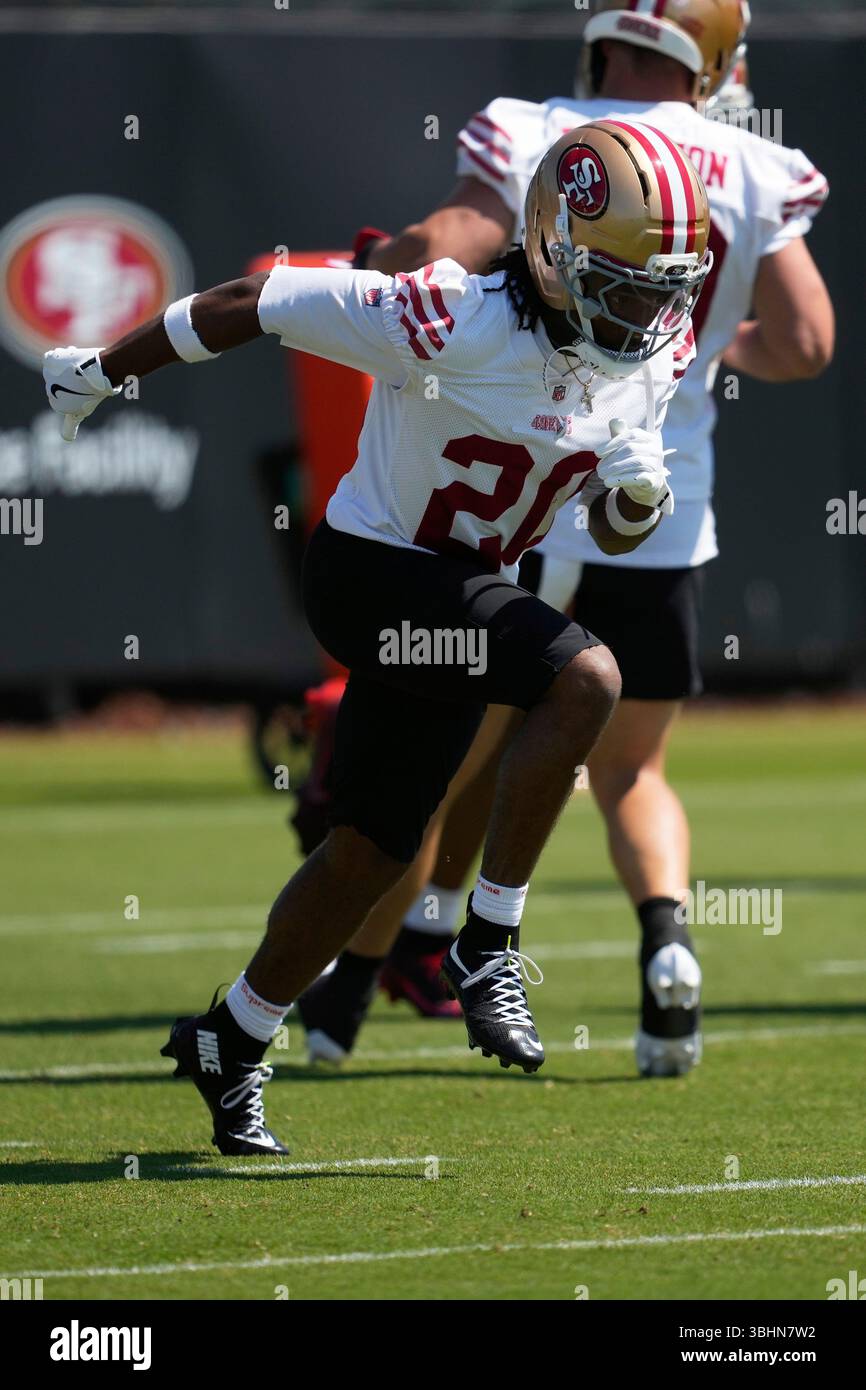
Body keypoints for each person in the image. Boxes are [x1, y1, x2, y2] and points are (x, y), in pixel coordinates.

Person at [44, 120, 710, 1152]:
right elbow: (254, 300)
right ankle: (485, 941)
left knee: (368, 852)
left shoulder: (645, 352)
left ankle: (232, 1034)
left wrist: (638, 497)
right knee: (583, 678)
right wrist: (102, 365)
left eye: (655, 287)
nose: (644, 311)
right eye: (619, 283)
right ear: (550, 250)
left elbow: (617, 521)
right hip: (372, 577)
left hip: (457, 599)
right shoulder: (445, 313)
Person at [300, 0, 834, 1078]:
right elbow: (806, 341)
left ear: (604, 42)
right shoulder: (753, 163)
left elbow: (454, 241)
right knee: (630, 768)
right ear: (711, 60)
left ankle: (342, 998)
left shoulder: (536, 126)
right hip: (661, 507)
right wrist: (692, 353)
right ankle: (667, 956)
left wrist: (389, 265)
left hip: (535, 498)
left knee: (441, 764)